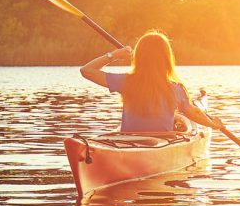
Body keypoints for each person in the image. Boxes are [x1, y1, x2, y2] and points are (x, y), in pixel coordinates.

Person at [79, 30, 221, 134]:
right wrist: (213, 124)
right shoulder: (175, 88)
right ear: (166, 58)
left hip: (129, 141)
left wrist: (114, 55)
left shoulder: (125, 81)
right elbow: (194, 113)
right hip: (161, 141)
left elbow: (87, 70)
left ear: (139, 57)